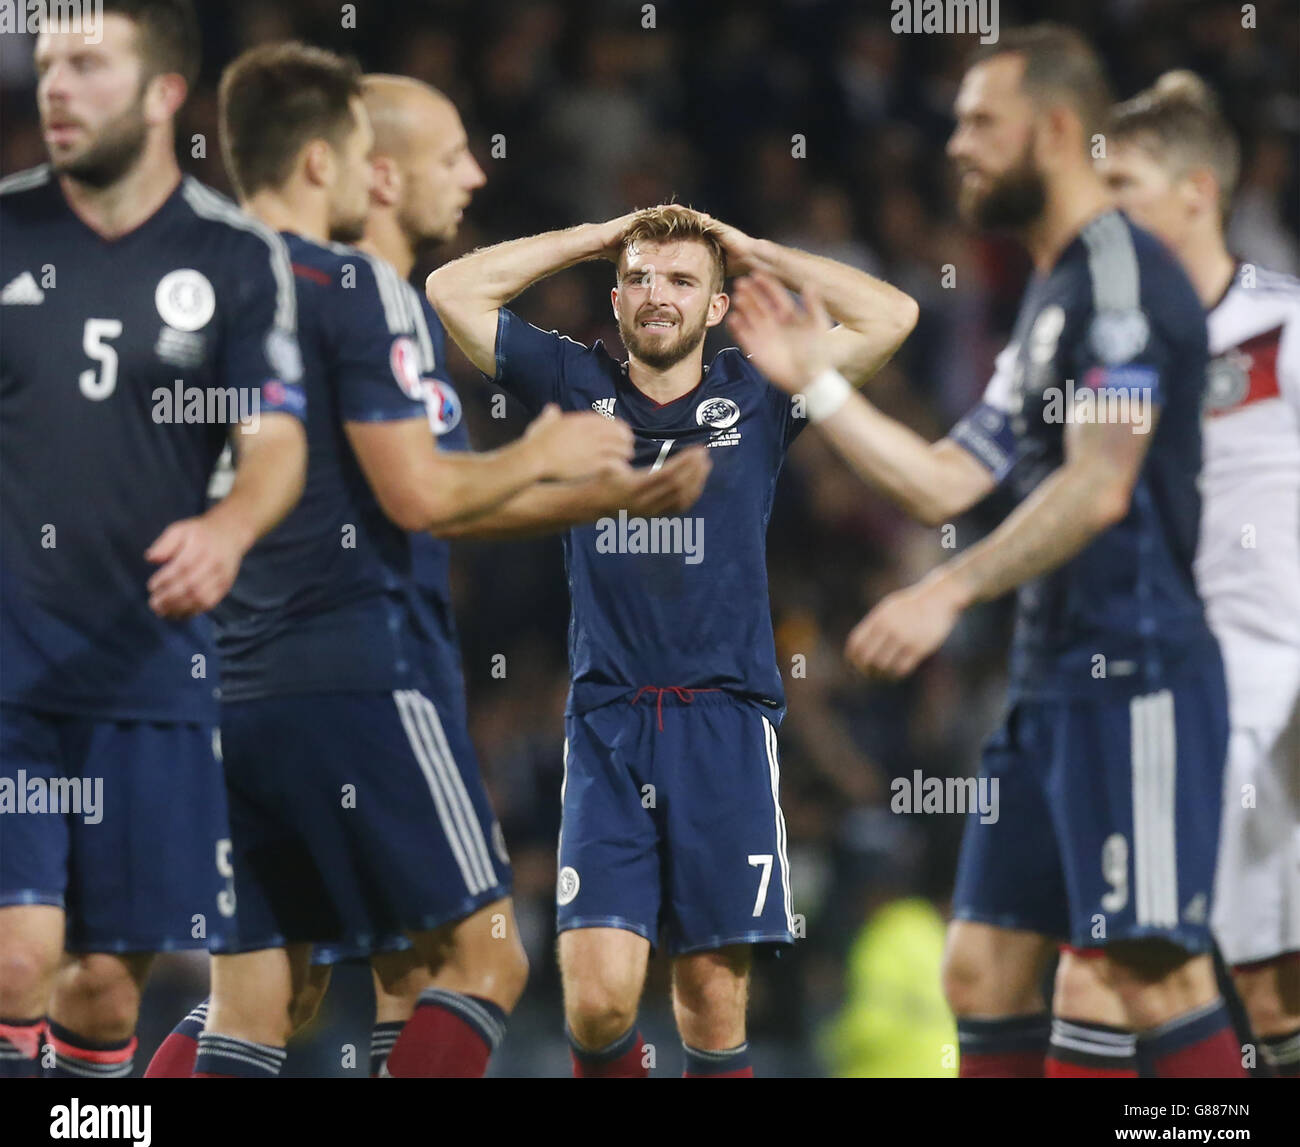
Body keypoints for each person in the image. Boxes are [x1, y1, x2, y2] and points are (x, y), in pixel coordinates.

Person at [146, 72, 709, 1078]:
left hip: (229, 684)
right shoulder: (360, 292)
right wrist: (547, 454)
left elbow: (424, 495)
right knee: (483, 956)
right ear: (375, 172)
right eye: (453, 152)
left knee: (273, 992)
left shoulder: (231, 286)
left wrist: (603, 497)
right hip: (358, 673)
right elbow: (423, 496)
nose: (476, 171)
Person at [727, 24, 1240, 1077]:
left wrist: (943, 592)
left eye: (978, 122)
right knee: (984, 970)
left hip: (1135, 671)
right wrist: (814, 380)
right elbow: (945, 479)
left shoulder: (1123, 279)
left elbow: (1100, 484)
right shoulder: (1052, 300)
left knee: (1151, 972)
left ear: (1054, 129)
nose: (953, 143)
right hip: (1050, 679)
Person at [428, 203, 917, 1076]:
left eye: (683, 281)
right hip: (608, 721)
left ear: (718, 306)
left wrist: (757, 247)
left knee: (711, 1002)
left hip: (723, 724)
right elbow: (451, 289)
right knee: (597, 1002)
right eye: (640, 279)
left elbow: (893, 315)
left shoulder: (761, 388)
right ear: (614, 300)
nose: (658, 296)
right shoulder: (577, 382)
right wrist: (594, 237)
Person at [0, 0, 307, 1080]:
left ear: (163, 93)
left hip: (150, 668)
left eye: (86, 63)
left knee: (102, 982)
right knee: (16, 956)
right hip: (12, 661)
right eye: (46, 64)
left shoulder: (230, 258)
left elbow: (274, 439)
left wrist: (228, 527)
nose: (55, 87)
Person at [1102, 70, 1300, 1078]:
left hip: (1281, 665)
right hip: (1192, 677)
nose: (1107, 216)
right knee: (1255, 971)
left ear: (1194, 192)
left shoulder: (1282, 321)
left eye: (1125, 188)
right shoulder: (1117, 353)